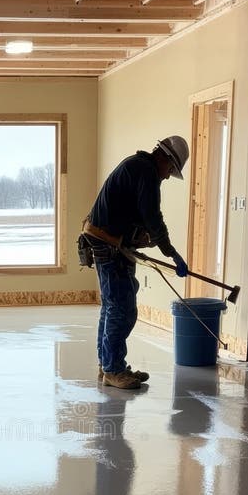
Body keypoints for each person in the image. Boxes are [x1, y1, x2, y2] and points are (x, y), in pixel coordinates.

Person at [82, 136, 190, 390]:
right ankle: (113, 370)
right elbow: (152, 216)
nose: (168, 176)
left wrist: (141, 238)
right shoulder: (146, 171)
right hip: (107, 244)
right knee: (122, 309)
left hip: (109, 241)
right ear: (163, 158)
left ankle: (109, 364)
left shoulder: (137, 166)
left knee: (112, 307)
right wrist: (170, 251)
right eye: (171, 169)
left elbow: (138, 215)